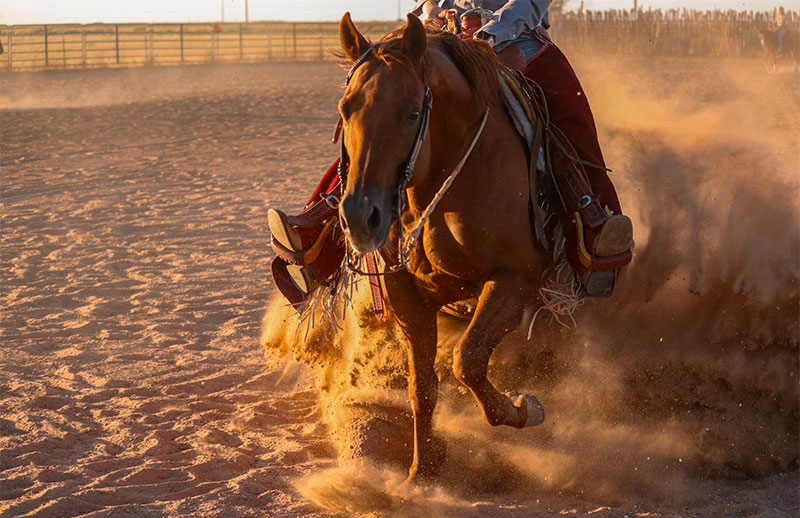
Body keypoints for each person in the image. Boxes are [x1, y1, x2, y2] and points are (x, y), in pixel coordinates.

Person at [268, 0, 633, 307]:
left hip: (515, 41)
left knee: (569, 113)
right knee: (383, 109)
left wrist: (491, 31)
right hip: (441, 40)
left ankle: (589, 223)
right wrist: (433, 16)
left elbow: (530, 2)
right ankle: (323, 227)